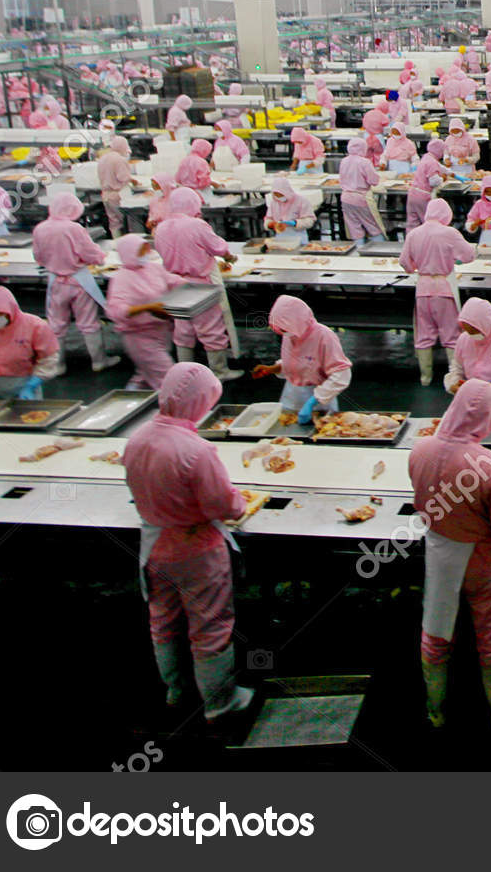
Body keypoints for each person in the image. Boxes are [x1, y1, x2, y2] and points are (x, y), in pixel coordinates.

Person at [123, 363, 254, 724]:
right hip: (197, 551)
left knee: (162, 621)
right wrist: (240, 501)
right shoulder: (196, 450)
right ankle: (221, 704)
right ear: (199, 402)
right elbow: (222, 506)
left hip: (153, 546)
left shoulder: (136, 439)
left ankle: (176, 691)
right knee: (210, 627)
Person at [411, 380, 491, 730]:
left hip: (439, 553)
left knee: (435, 630)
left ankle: (435, 709)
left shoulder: (419, 449)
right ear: (489, 416)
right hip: (483, 561)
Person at [153, 187, 242, 380]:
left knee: (183, 328)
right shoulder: (197, 225)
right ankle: (219, 371)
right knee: (210, 328)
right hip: (200, 283)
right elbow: (218, 247)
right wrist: (229, 257)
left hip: (175, 282)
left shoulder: (161, 227)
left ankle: (183, 369)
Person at [32, 192, 118, 373]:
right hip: (79, 282)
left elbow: (38, 256)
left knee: (56, 324)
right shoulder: (73, 229)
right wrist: (101, 258)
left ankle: (58, 364)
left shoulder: (40, 228)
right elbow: (89, 252)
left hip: (55, 282)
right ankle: (98, 361)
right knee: (89, 323)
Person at [401, 199, 475, 386]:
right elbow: (468, 255)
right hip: (444, 289)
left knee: (424, 334)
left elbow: (404, 263)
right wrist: (453, 259)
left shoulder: (414, 234)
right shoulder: (449, 232)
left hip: (423, 289)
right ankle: (454, 379)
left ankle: (425, 377)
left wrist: (417, 267)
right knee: (450, 335)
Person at [251, 295, 352, 424]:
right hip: (292, 397)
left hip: (319, 401)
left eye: (284, 329)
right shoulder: (290, 333)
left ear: (297, 321)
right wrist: (274, 369)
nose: (283, 333)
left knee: (320, 432)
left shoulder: (324, 336)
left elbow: (341, 373)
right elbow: (298, 362)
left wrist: (313, 401)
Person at [105, 235, 181, 390]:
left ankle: (129, 403)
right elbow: (115, 311)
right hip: (140, 337)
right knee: (169, 380)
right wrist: (148, 307)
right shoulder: (121, 278)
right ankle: (179, 411)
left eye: (147, 248)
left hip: (161, 331)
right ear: (129, 252)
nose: (147, 252)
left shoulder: (152, 268)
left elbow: (173, 281)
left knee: (145, 374)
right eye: (142, 250)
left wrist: (198, 286)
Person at [0, 285, 60, 399]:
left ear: (9, 309)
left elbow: (49, 359)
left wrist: (31, 385)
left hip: (22, 390)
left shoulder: (35, 326)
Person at [339, 137, 386, 243]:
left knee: (354, 228)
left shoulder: (344, 161)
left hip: (345, 197)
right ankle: (380, 250)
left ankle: (359, 252)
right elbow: (373, 181)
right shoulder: (364, 162)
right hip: (360, 198)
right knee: (373, 226)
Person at [97, 135, 134, 238]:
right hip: (117, 196)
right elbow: (123, 178)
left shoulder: (103, 158)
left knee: (113, 222)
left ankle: (117, 244)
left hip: (105, 194)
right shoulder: (119, 159)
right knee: (126, 222)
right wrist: (133, 180)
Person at [263, 176, 317, 244]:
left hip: (299, 238)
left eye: (280, 194)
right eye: (276, 194)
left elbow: (310, 221)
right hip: (280, 238)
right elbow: (268, 219)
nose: (279, 197)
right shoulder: (274, 203)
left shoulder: (301, 201)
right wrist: (272, 224)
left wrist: (295, 223)